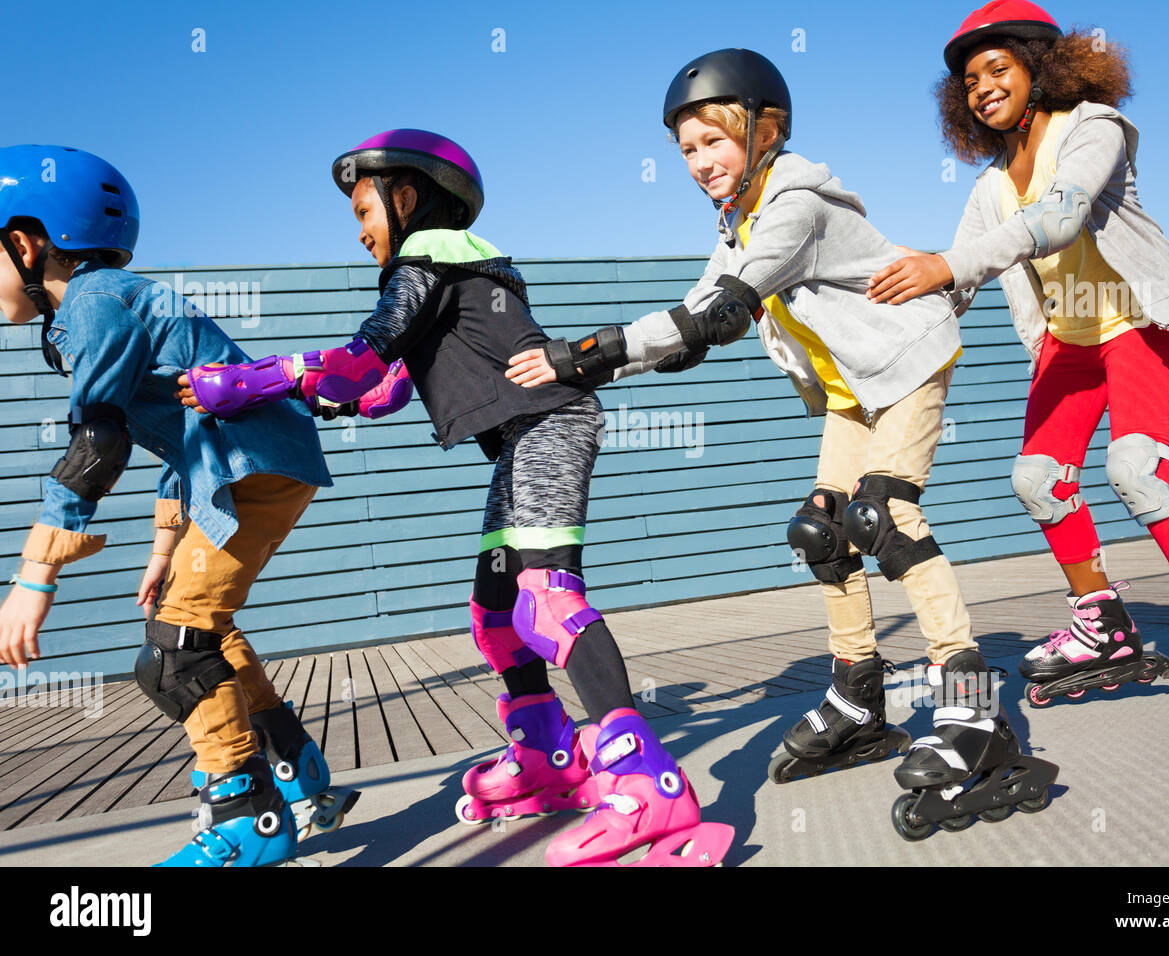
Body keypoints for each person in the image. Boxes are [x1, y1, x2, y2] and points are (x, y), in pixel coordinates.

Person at [506, 49, 1057, 837]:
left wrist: (578, 355)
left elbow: (720, 314)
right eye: (687, 149)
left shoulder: (794, 201)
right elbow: (692, 325)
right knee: (823, 535)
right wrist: (587, 370)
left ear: (765, 129)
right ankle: (857, 692)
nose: (700, 162)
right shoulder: (742, 218)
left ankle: (975, 718)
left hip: (906, 361)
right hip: (851, 390)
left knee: (888, 520)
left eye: (713, 141)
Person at [181, 129, 734, 865]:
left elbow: (354, 362)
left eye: (363, 212)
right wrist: (288, 396)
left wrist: (256, 379)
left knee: (548, 599)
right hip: (522, 440)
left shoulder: (423, 261)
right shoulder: (458, 276)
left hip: (549, 424)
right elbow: (375, 391)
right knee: (496, 618)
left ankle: (648, 783)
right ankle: (545, 755)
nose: (360, 233)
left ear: (405, 197)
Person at [867, 0, 1169, 759]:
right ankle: (1102, 622)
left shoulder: (1092, 126)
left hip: (1137, 321)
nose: (981, 88)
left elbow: (1061, 216)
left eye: (996, 69)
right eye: (968, 81)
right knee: (1037, 479)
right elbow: (954, 282)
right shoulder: (990, 187)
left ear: (1042, 68)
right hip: (1070, 339)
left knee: (1139, 468)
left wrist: (946, 264)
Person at [0, 144, 359, 866]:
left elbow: (98, 441)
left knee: (174, 654)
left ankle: (242, 817)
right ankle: (292, 770)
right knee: (203, 630)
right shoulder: (111, 302)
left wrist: (34, 576)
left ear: (26, 242)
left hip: (252, 464)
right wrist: (166, 549)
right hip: (250, 464)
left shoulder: (96, 303)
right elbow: (175, 435)